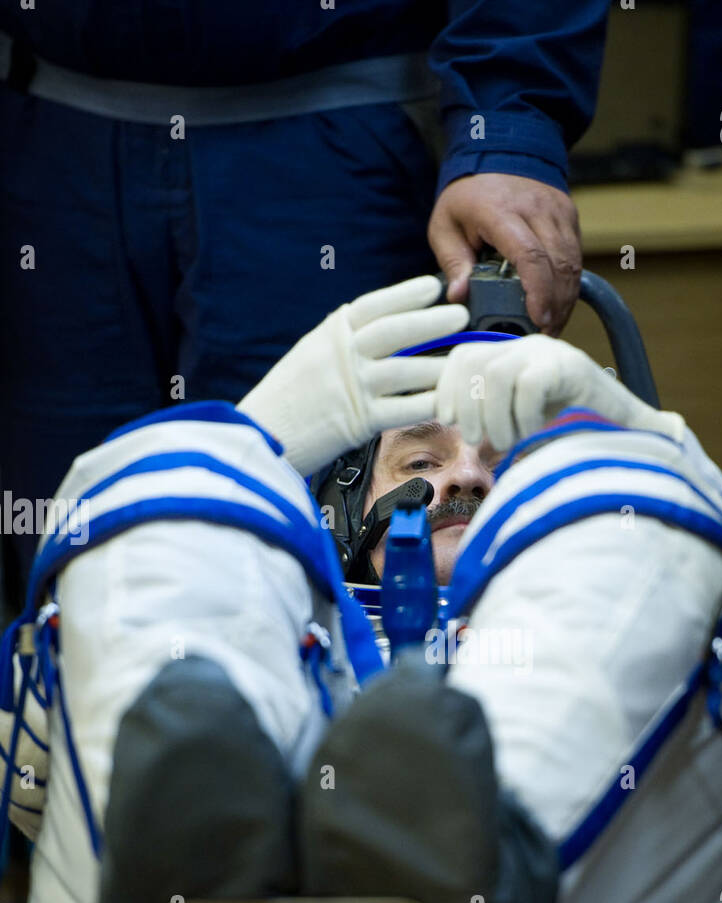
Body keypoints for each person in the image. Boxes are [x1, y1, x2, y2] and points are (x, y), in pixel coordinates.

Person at [0, 275, 722, 903]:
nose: (462, 476)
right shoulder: (278, 609)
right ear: (343, 507)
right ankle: (214, 892)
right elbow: (35, 792)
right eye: (420, 461)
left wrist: (665, 464)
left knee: (634, 526)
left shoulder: (633, 583)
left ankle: (436, 886)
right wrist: (244, 450)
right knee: (173, 526)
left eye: (512, 467)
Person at [0, 0, 609, 606]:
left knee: (336, 561)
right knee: (67, 565)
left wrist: (507, 128)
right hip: (53, 152)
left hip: (335, 144)